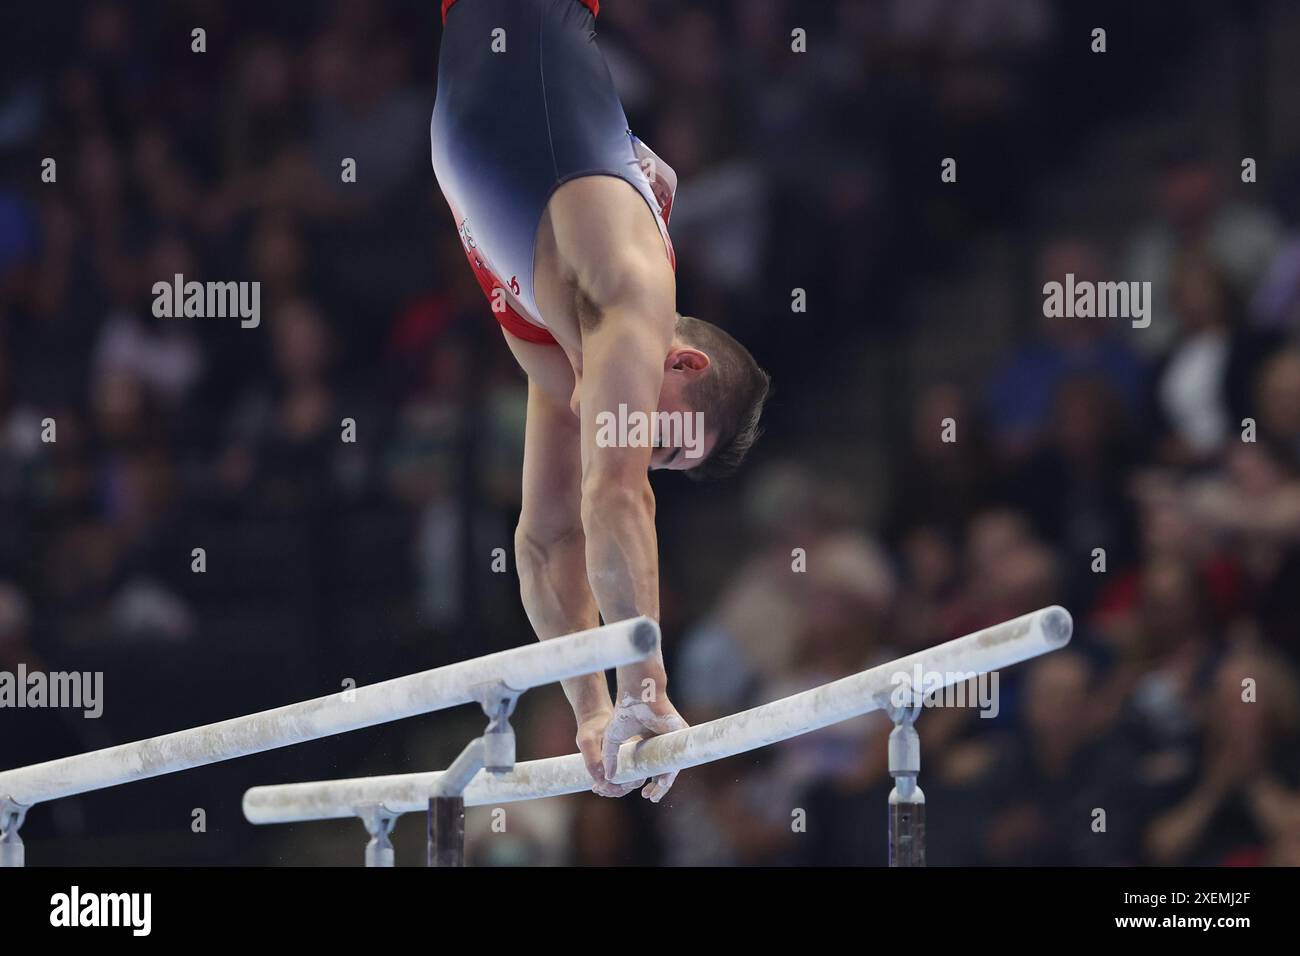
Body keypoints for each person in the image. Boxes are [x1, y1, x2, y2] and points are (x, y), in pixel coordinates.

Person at [430, 0, 771, 802]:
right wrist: (646, 689)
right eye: (667, 440)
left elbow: (548, 541)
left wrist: (590, 709)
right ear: (680, 360)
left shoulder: (565, 354)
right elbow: (616, 496)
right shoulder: (630, 289)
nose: (638, 451)